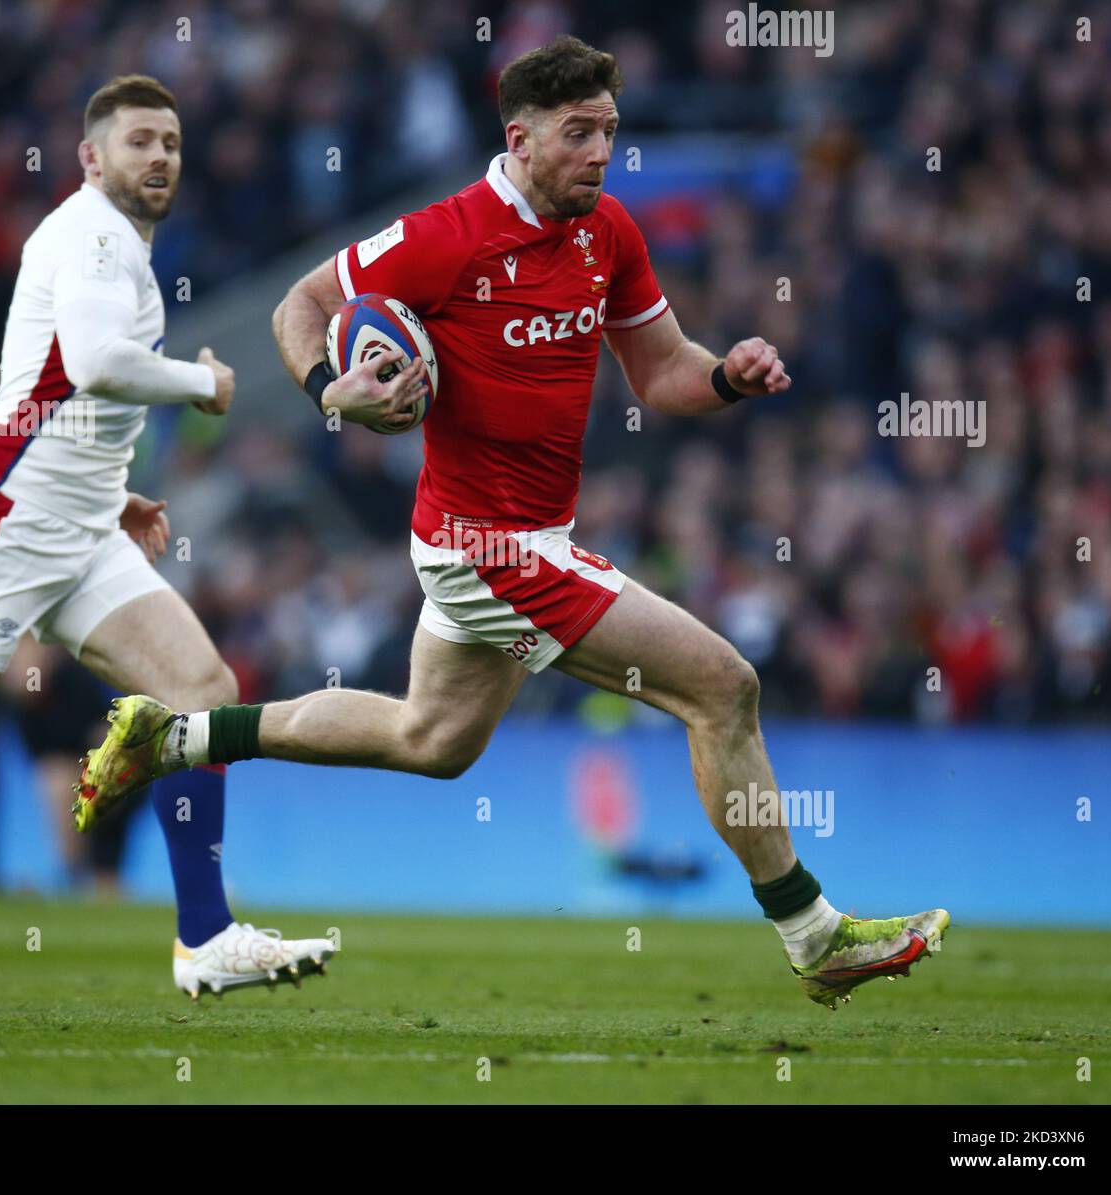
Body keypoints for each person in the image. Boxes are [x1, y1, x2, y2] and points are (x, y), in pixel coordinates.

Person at [73, 43, 946, 1010]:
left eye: (610, 130)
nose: (601, 151)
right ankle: (814, 934)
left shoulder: (608, 232)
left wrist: (727, 377)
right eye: (580, 133)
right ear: (520, 139)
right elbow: (303, 301)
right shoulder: (448, 237)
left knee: (430, 739)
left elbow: (661, 371)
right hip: (488, 550)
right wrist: (333, 391)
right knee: (722, 686)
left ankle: (175, 735)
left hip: (526, 538)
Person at [0, 75, 333, 1000]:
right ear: (91, 157)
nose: (160, 157)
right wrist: (204, 383)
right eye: (139, 140)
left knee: (202, 689)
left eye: (172, 143)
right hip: (7, 521)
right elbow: (101, 364)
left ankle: (206, 935)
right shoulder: (96, 232)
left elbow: (57, 390)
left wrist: (115, 496)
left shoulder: (106, 245)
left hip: (76, 522)